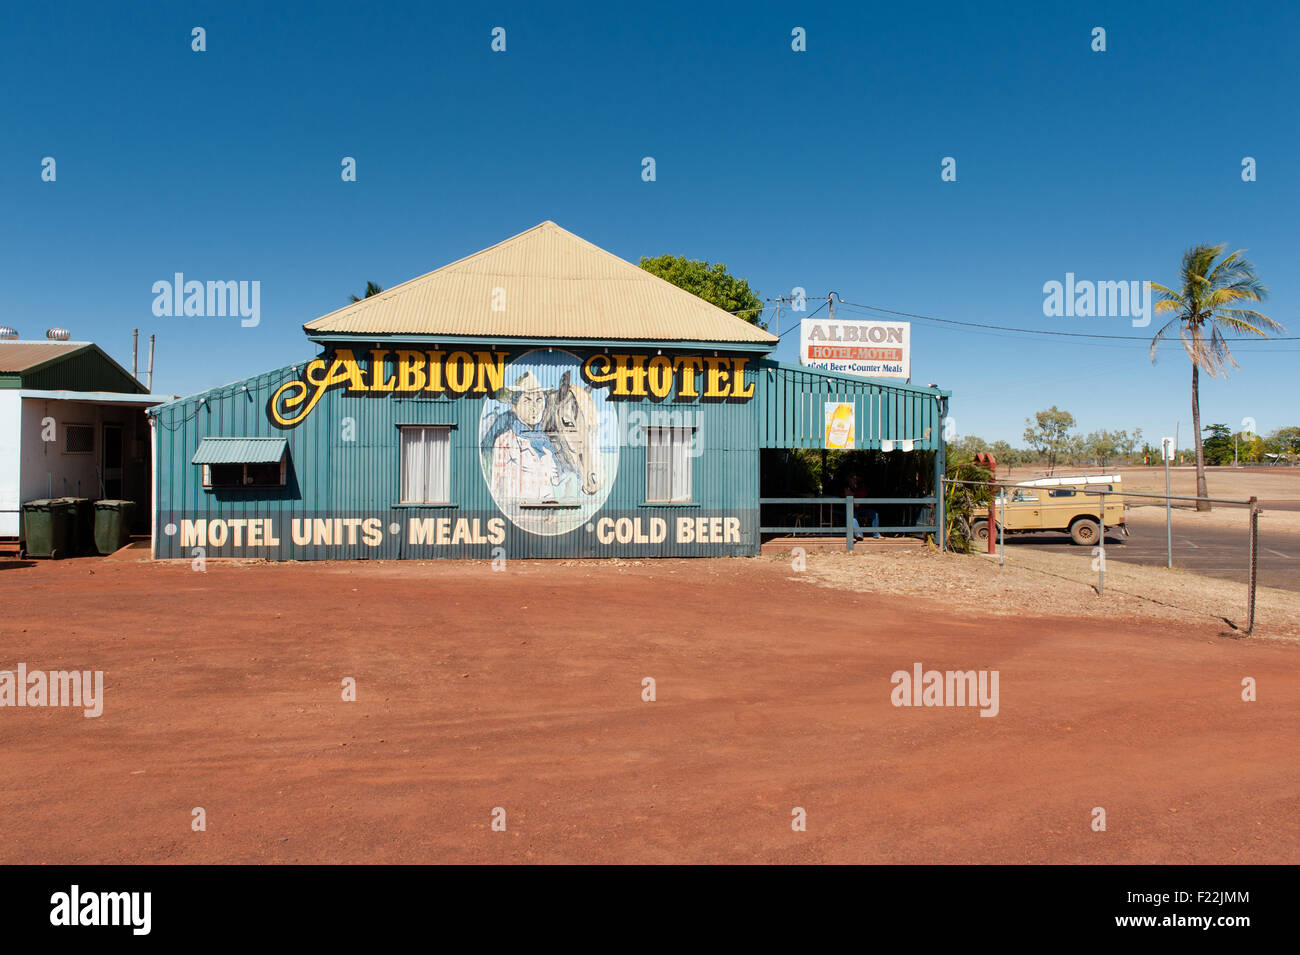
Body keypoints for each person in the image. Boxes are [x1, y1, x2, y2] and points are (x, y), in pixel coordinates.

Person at [844, 474, 880, 541]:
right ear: (849, 480)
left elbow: (863, 494)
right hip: (852, 509)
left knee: (874, 514)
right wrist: (853, 497)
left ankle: (876, 534)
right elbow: (848, 497)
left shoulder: (861, 487)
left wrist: (853, 494)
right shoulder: (846, 488)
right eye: (852, 479)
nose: (854, 480)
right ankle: (858, 534)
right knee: (852, 517)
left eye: (856, 479)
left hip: (862, 509)